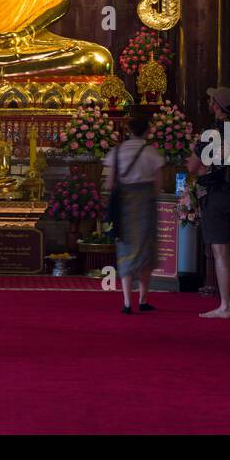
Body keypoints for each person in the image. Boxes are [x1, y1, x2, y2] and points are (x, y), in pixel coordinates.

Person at [188, 86, 230, 319]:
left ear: (216, 105)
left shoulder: (211, 133)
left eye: (210, 101)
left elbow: (193, 167)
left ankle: (225, 306)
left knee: (220, 253)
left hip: (216, 196)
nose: (209, 104)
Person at [102, 110, 164, 314]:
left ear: (129, 131)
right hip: (145, 205)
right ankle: (143, 300)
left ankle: (127, 302)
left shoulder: (116, 152)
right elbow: (158, 185)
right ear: (147, 131)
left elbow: (109, 183)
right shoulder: (151, 153)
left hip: (123, 206)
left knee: (125, 248)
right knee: (145, 249)